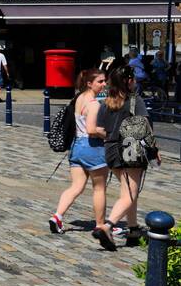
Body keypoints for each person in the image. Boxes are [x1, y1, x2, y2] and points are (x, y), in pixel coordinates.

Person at [50, 68, 116, 250]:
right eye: (100, 82)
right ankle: (101, 224)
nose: (104, 84)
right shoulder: (94, 104)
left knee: (76, 187)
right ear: (89, 83)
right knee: (99, 189)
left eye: (105, 81)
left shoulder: (79, 98)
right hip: (92, 148)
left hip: (76, 147)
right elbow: (92, 129)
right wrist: (109, 133)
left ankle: (57, 216)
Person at [103, 66, 160, 246]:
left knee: (127, 191)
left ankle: (133, 229)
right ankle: (107, 226)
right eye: (133, 78)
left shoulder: (107, 102)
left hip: (111, 150)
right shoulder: (136, 101)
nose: (135, 81)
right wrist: (154, 151)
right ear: (128, 81)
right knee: (130, 193)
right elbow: (146, 128)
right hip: (131, 150)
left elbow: (101, 127)